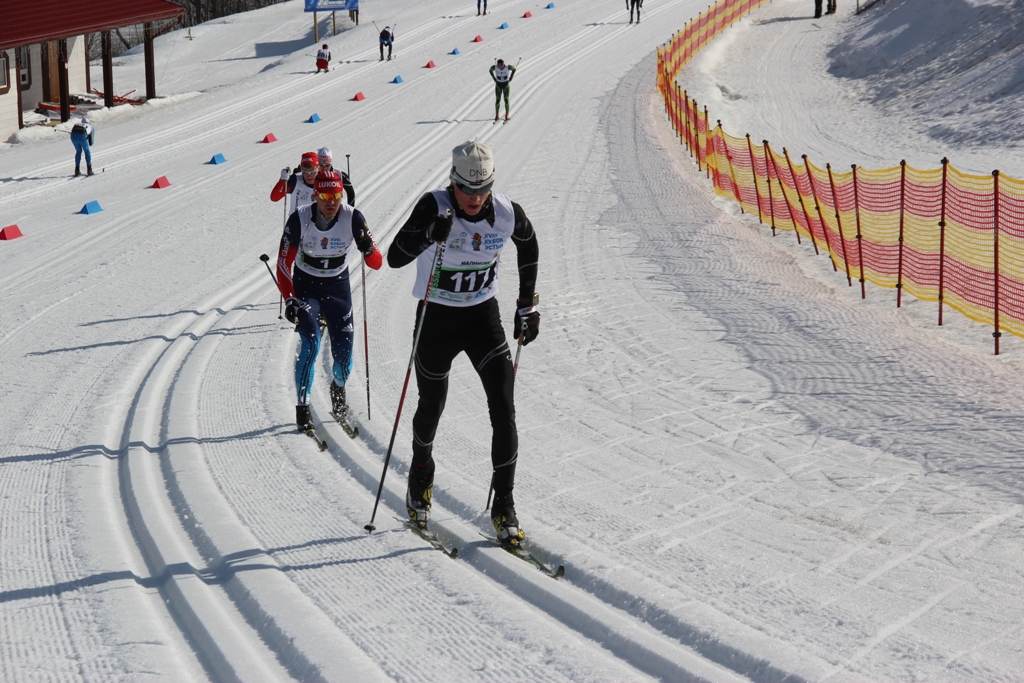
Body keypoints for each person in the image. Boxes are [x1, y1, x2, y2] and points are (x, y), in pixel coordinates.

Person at [386, 140, 540, 547]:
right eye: (466, 190)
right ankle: (421, 475)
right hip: (436, 318)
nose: (474, 199)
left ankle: (503, 503)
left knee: (504, 406)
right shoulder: (433, 206)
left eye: (482, 189)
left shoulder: (506, 212)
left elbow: (529, 244)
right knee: (432, 404)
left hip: (481, 318)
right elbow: (394, 257)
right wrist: (426, 236)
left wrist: (527, 305)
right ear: (452, 182)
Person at [276, 172, 382, 434]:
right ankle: (303, 408)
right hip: (307, 286)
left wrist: (369, 249)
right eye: (325, 196)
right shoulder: (300, 218)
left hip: (337, 288)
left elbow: (377, 262)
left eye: (335, 196)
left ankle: (338, 386)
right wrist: (289, 299)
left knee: (344, 359)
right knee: (311, 342)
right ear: (315, 196)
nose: (331, 202)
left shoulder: (353, 217)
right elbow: (282, 264)